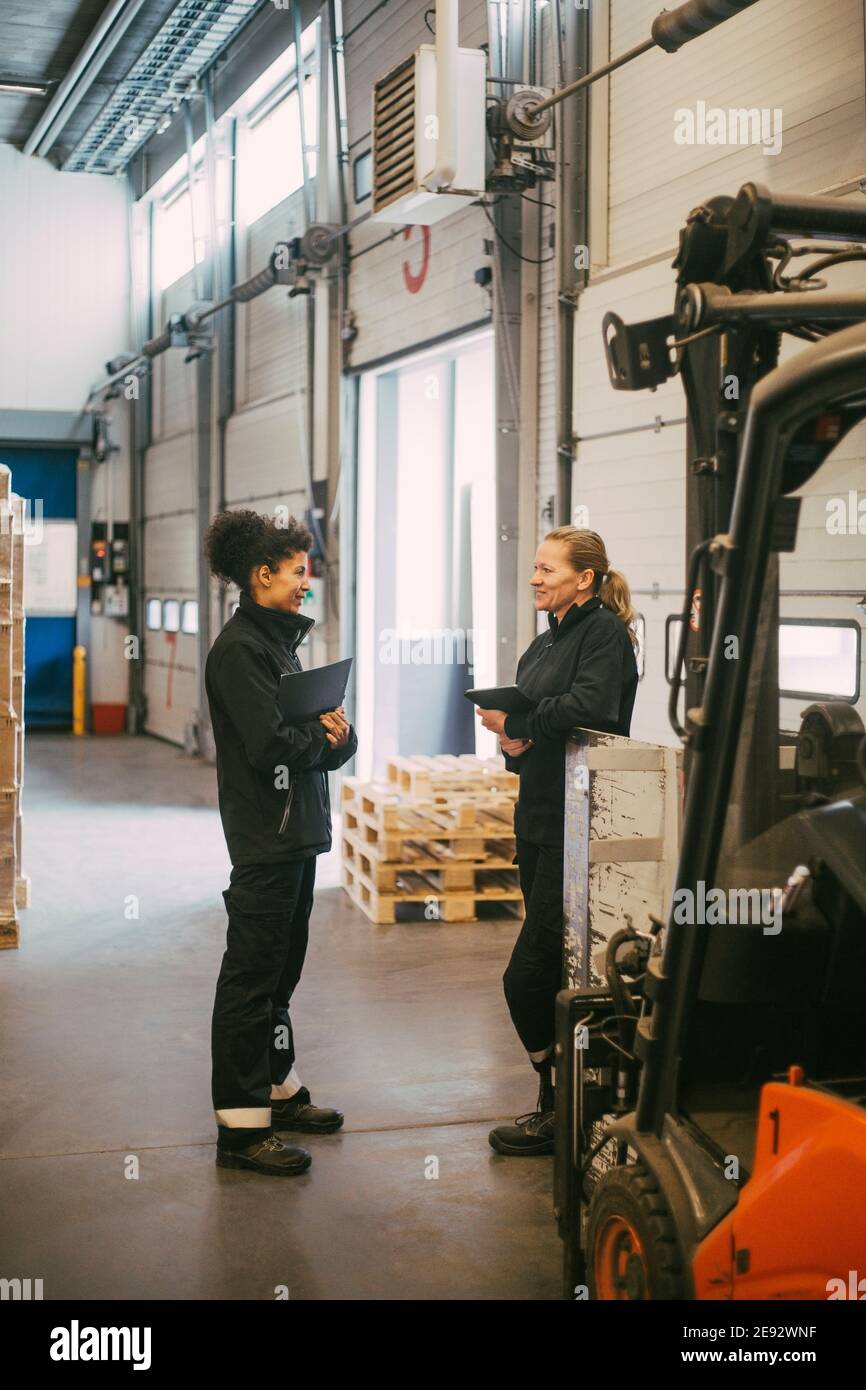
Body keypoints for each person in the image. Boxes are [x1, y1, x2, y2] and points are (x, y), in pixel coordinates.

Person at [204, 508, 357, 1176]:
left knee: (279, 977)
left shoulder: (275, 645)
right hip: (266, 838)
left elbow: (304, 739)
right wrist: (322, 741)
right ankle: (241, 1131)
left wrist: (339, 738)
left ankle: (273, 1087)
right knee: (251, 980)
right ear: (262, 575)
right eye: (299, 573)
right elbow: (270, 744)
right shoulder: (241, 650)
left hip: (294, 834)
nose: (306, 586)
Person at [478, 527, 639, 1157]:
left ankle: (562, 1096)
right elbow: (541, 731)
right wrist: (514, 743)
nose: (536, 578)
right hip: (539, 822)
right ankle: (558, 1103)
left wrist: (518, 721)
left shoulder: (603, 634)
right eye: (535, 568)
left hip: (579, 826)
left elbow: (593, 707)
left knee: (528, 975)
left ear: (586, 579)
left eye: (549, 569)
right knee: (549, 973)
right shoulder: (546, 642)